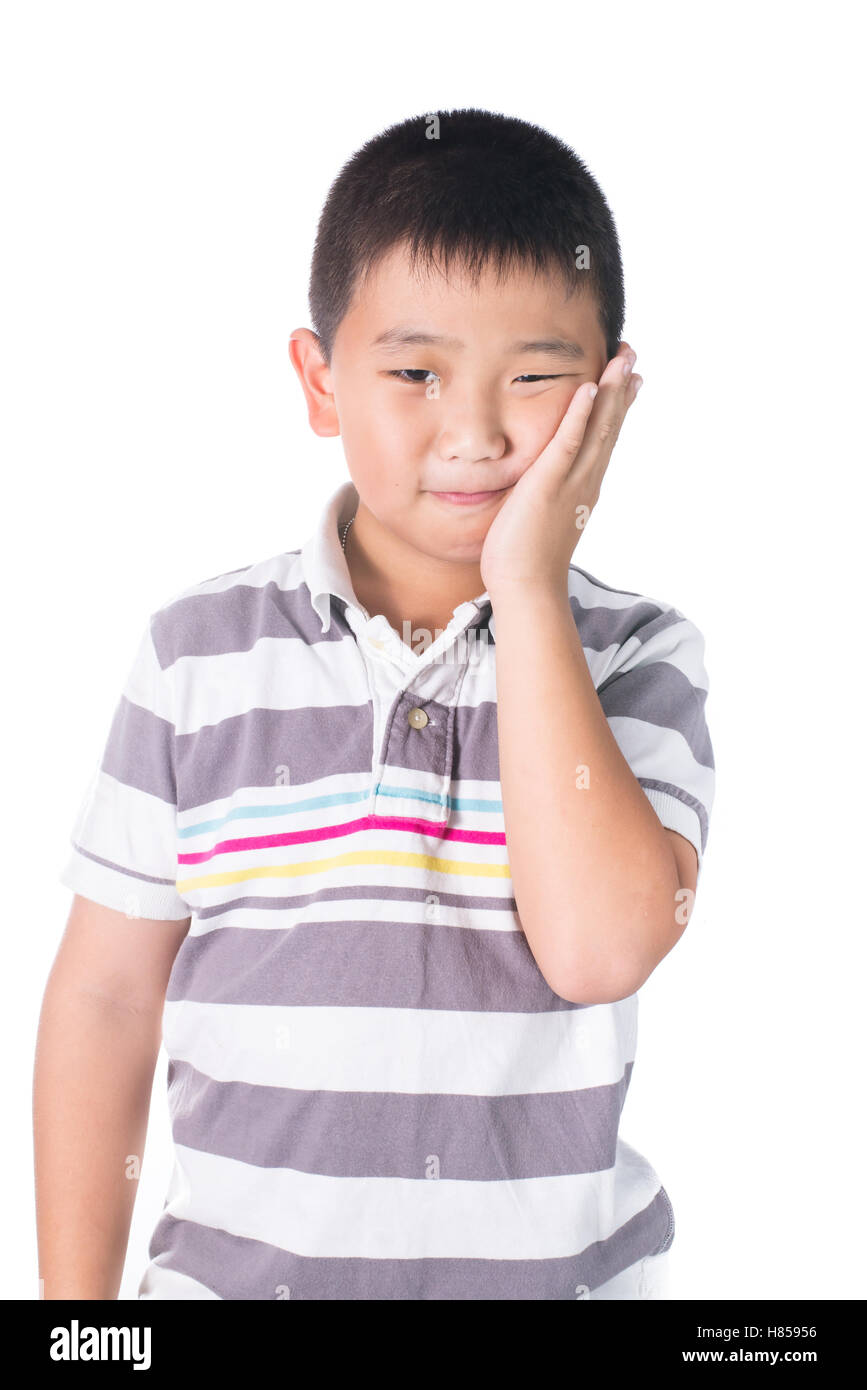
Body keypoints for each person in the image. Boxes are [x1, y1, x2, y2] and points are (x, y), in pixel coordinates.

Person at [35, 107, 715, 1300]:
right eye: (416, 372)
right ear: (319, 380)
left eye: (539, 378)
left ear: (609, 396)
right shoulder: (198, 656)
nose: (477, 433)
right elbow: (103, 997)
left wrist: (529, 592)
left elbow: (603, 945)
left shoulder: (637, 654)